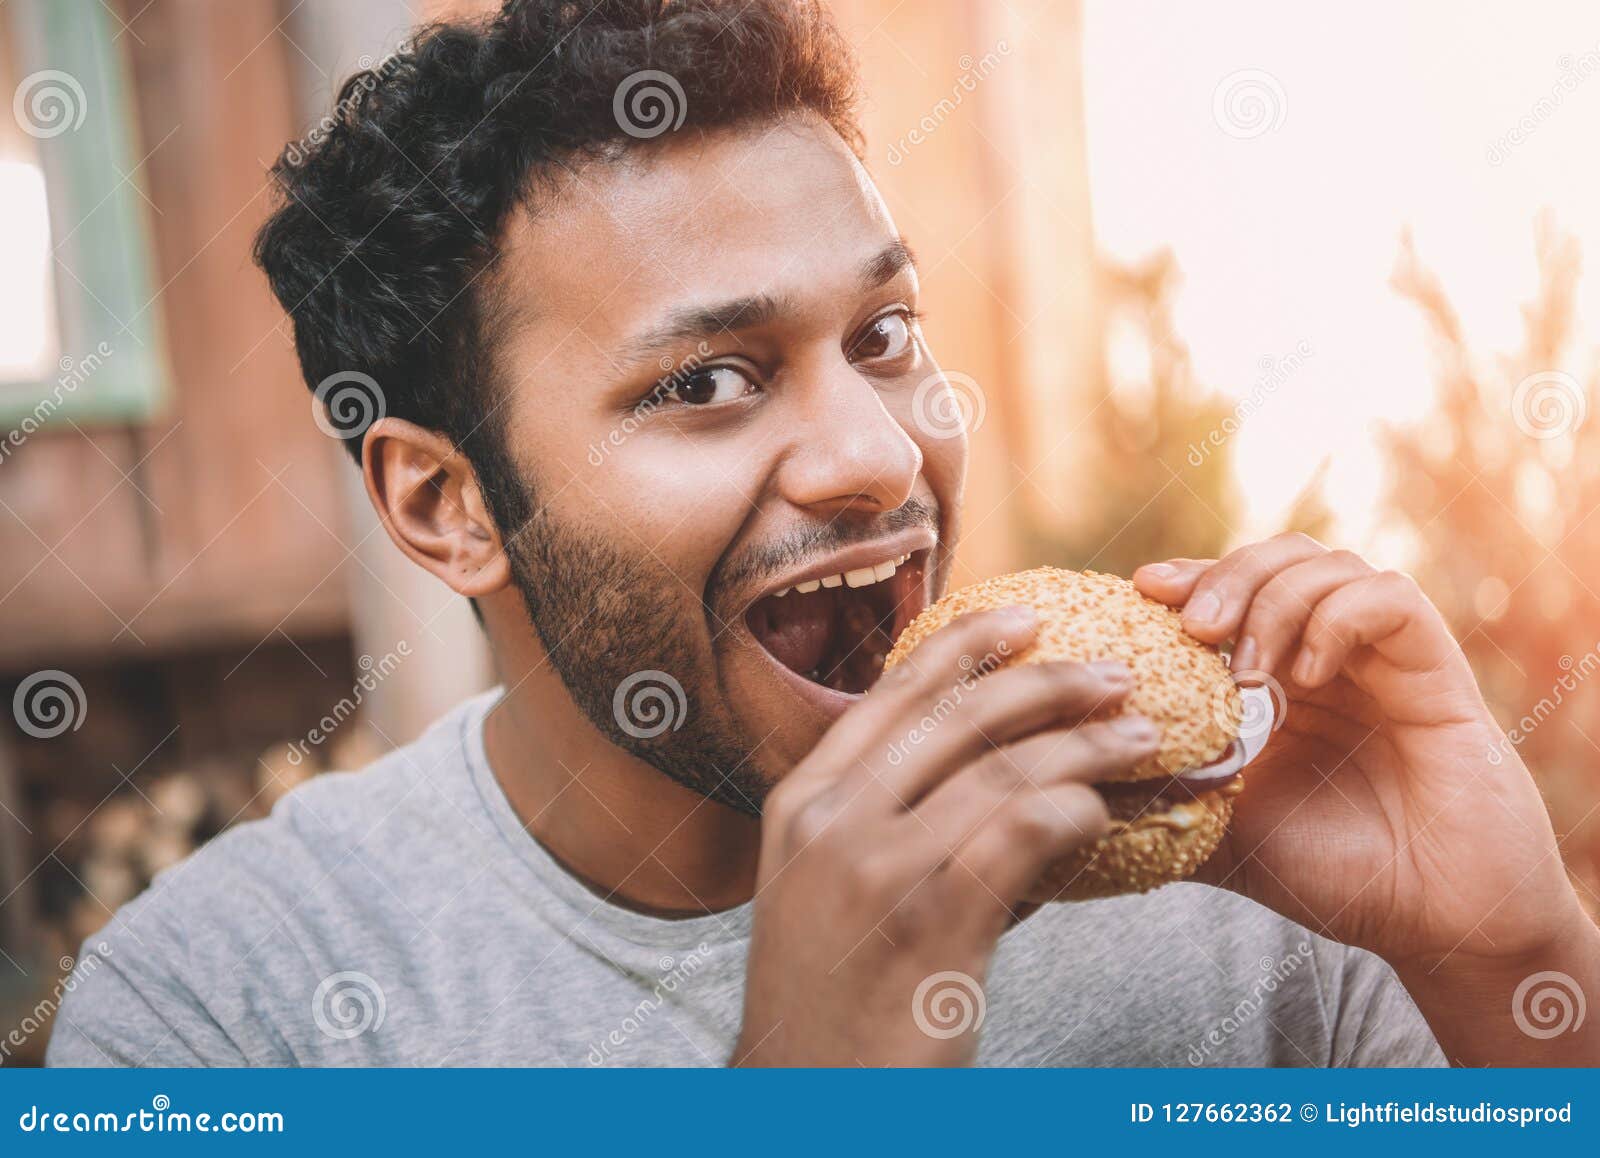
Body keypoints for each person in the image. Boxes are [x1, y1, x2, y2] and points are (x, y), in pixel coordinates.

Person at [49, 0, 1598, 1067]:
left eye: (885, 331)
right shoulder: (218, 1012)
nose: (875, 450)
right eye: (707, 380)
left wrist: (1506, 955)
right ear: (445, 504)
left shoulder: (1238, 884)